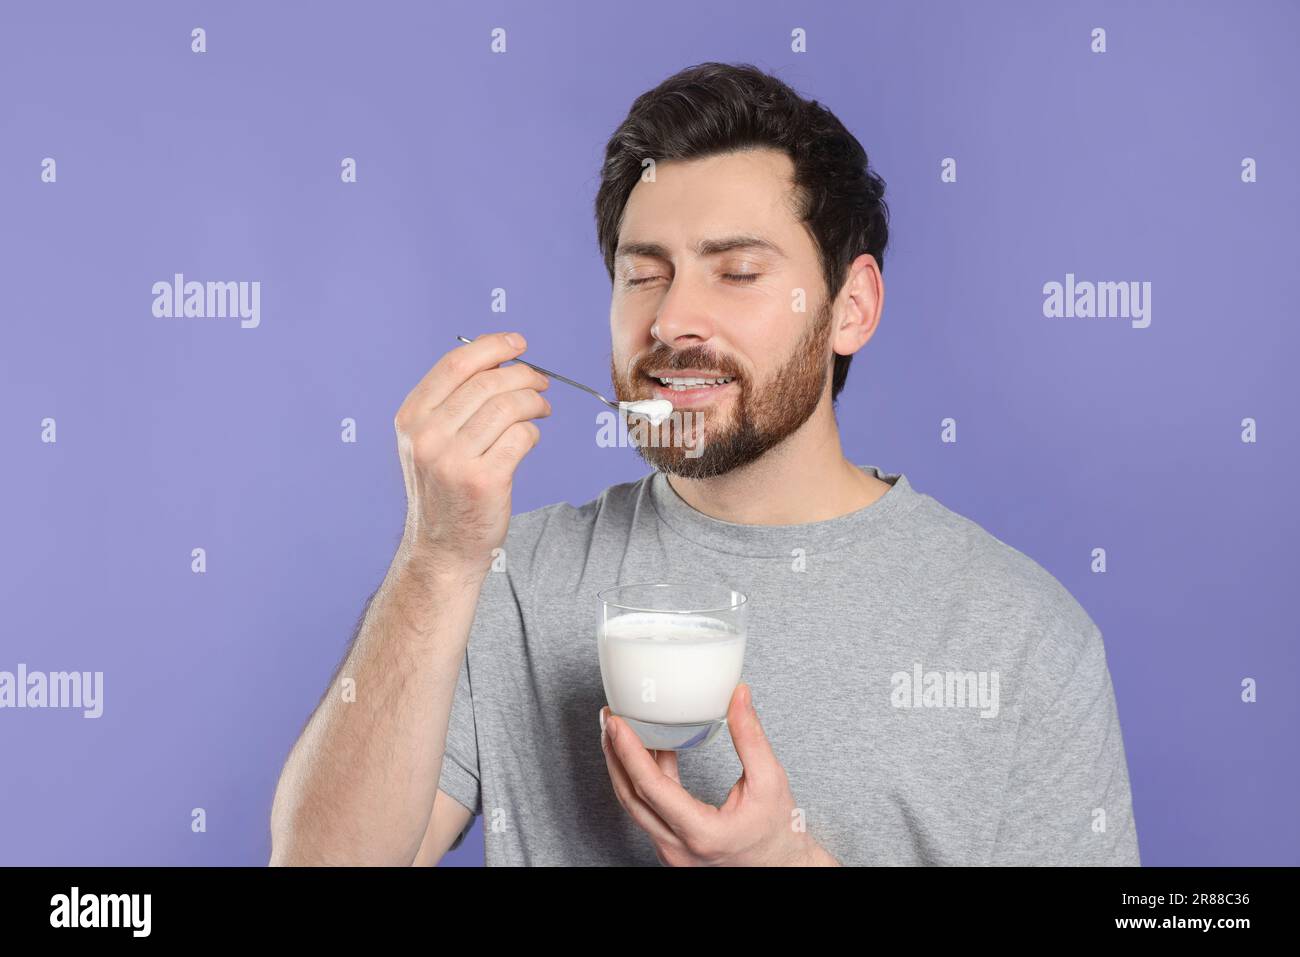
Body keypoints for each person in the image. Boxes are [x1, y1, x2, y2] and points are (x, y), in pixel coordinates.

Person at [269, 62, 1140, 867]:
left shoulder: (1025, 639)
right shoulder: (504, 581)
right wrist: (437, 557)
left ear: (853, 308)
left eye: (737, 272)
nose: (675, 319)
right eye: (643, 274)